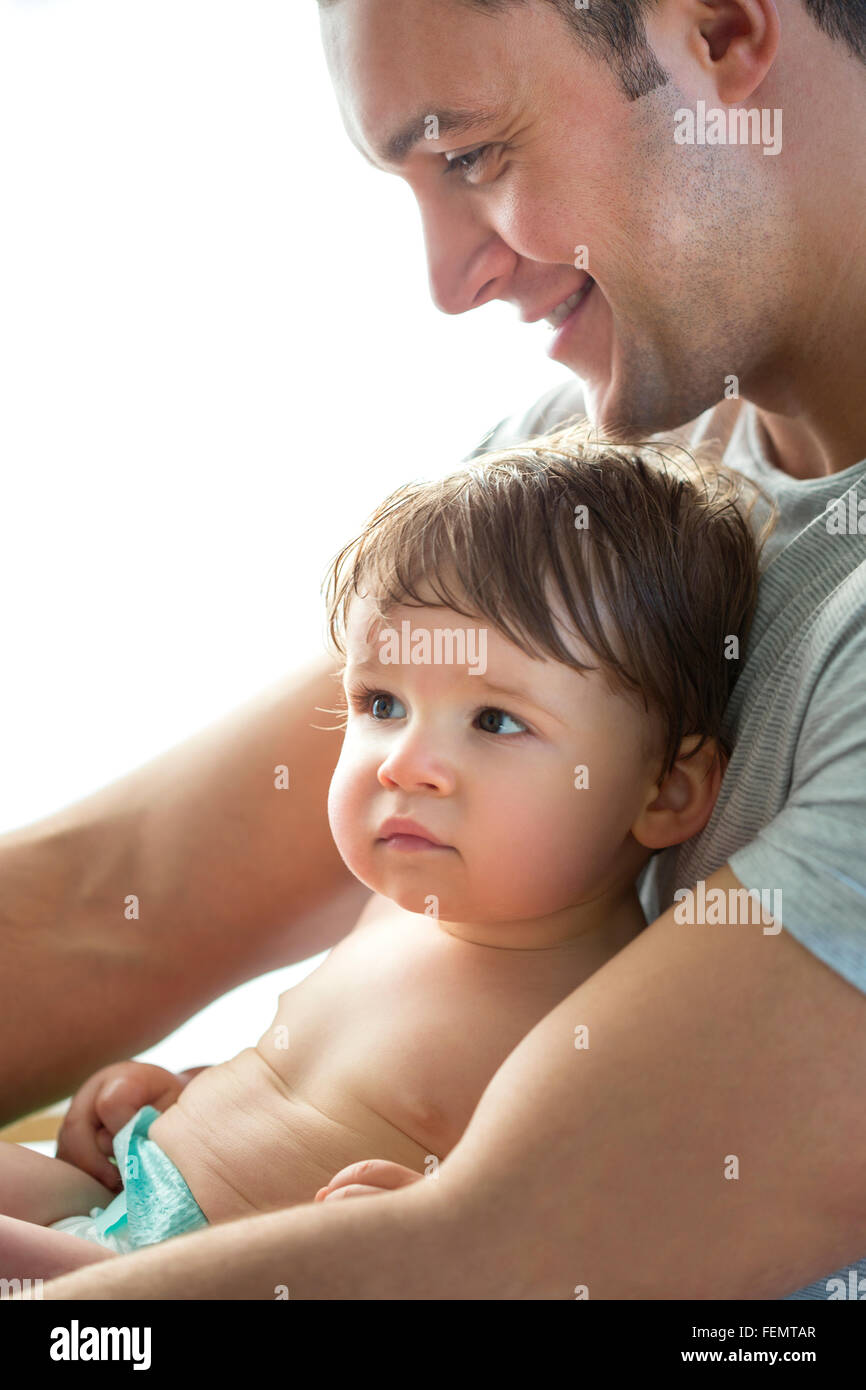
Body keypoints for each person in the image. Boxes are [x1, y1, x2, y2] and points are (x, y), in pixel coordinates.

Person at [6, 0, 866, 1299]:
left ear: (721, 29)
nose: (447, 277)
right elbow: (107, 905)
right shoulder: (598, 464)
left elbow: (472, 1255)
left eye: (470, 155)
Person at [0, 429, 762, 1278]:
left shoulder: (597, 1025)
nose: (402, 763)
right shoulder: (402, 905)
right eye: (382, 702)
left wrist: (427, 1239)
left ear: (665, 791)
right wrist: (170, 1094)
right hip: (119, 1200)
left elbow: (578, 1247)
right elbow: (311, 1089)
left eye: (496, 721)